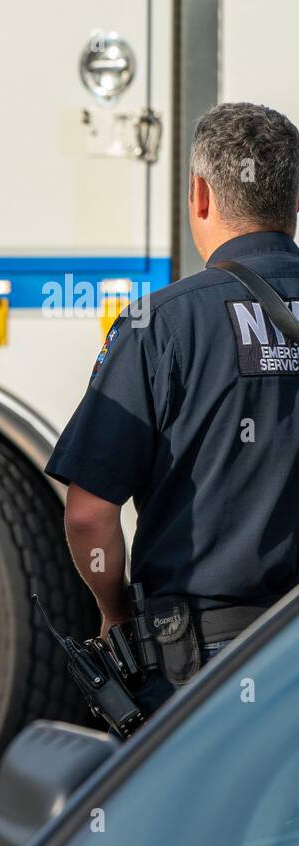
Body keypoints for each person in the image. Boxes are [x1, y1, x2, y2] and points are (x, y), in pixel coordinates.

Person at [47, 102, 299, 714]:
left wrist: (113, 613)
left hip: (205, 663)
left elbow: (88, 516)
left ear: (201, 195)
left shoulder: (160, 324)